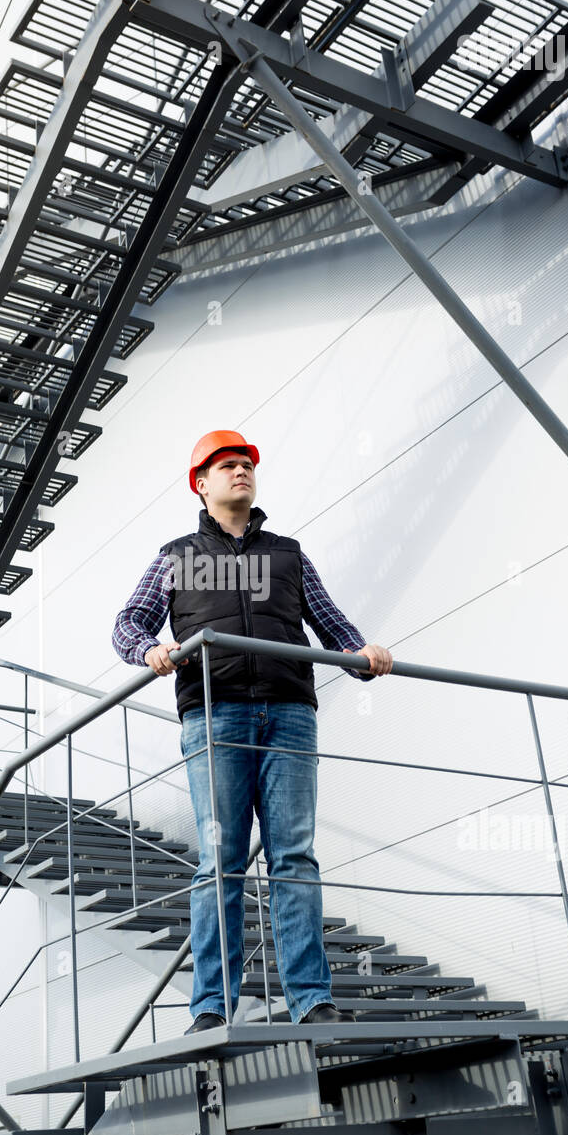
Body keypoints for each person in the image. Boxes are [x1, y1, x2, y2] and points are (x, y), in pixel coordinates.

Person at [111, 430, 393, 1033]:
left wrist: (360, 652)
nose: (240, 471)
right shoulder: (176, 557)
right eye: (227, 466)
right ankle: (214, 1008)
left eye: (246, 464)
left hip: (289, 713)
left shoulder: (288, 554)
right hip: (215, 716)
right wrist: (151, 649)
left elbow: (330, 621)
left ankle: (311, 999)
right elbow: (126, 624)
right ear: (201, 484)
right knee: (220, 860)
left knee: (294, 857)